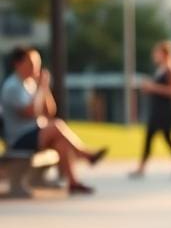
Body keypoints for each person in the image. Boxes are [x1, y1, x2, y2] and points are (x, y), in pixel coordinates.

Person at [1, 46, 108, 194]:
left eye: (38, 63)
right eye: (32, 63)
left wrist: (44, 88)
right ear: (18, 64)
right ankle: (85, 154)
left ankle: (73, 183)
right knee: (57, 126)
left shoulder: (30, 85)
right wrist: (40, 88)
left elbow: (49, 111)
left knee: (60, 143)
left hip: (34, 133)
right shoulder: (12, 86)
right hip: (19, 138)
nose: (36, 67)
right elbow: (31, 112)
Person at [130, 40, 171, 178]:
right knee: (162, 137)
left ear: (165, 54)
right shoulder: (161, 70)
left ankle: (142, 168)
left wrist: (153, 87)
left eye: (157, 53)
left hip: (166, 110)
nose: (155, 56)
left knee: (157, 136)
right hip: (158, 110)